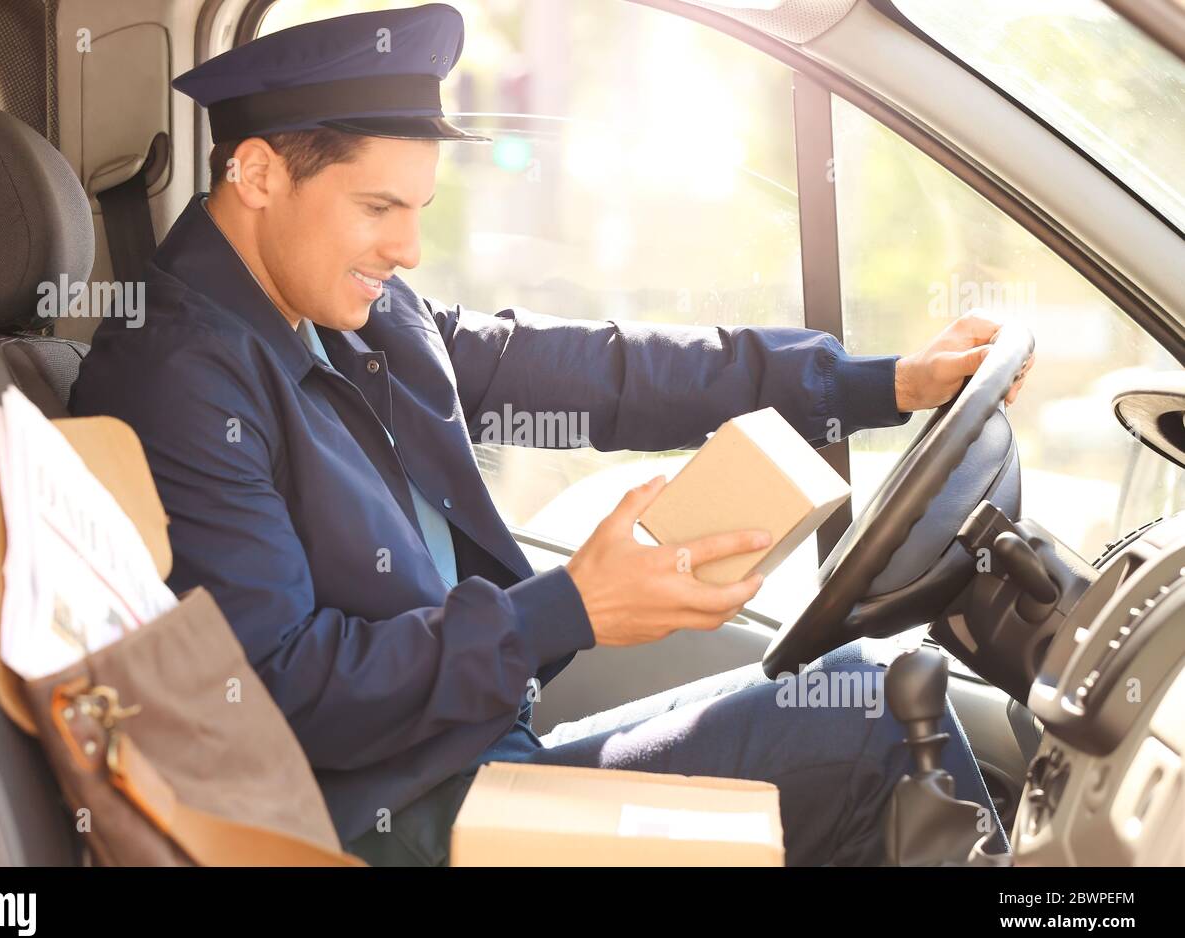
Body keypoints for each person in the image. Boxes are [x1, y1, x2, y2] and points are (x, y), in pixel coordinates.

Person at [71, 3, 1030, 865]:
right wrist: (564, 609)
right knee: (873, 721)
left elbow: (603, 372)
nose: (406, 248)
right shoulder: (178, 380)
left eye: (419, 211)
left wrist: (880, 383)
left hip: (469, 758)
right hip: (388, 822)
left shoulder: (357, 314)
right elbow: (282, 693)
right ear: (257, 172)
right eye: (378, 208)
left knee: (874, 694)